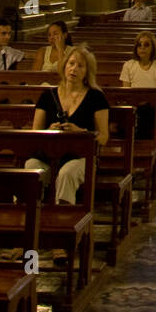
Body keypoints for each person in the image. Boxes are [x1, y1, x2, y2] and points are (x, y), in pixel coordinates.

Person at [26, 45, 109, 204]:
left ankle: (62, 218)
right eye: (71, 64)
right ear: (63, 66)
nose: (74, 69)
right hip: (49, 154)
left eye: (80, 66)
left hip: (81, 156)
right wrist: (49, 130)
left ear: (87, 72)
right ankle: (27, 214)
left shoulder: (96, 97)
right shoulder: (47, 96)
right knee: (31, 166)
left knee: (66, 173)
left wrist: (81, 132)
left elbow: (104, 137)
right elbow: (35, 133)